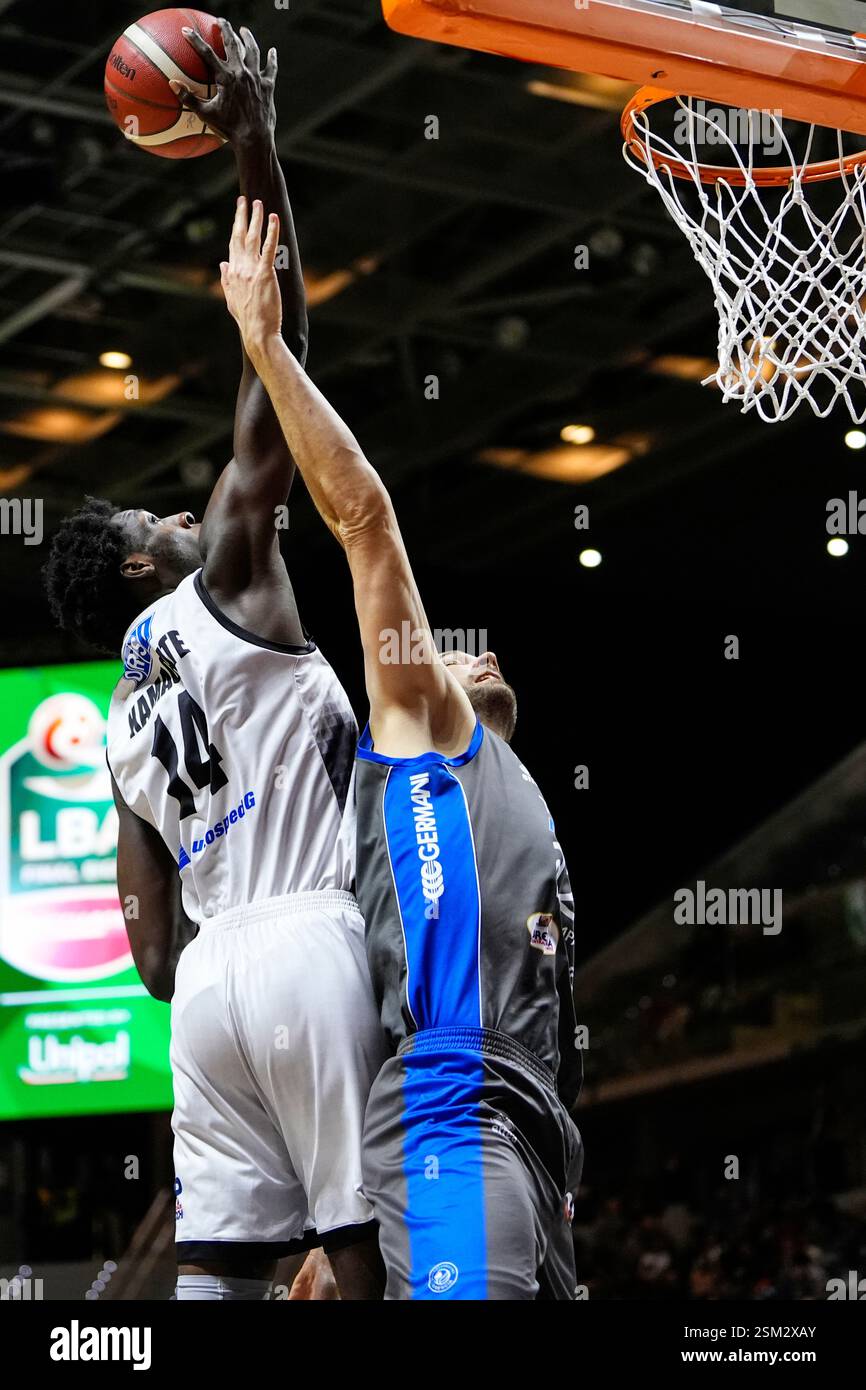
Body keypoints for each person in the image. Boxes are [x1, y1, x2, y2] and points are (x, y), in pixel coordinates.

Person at [43, 22, 386, 1301]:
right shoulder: (228, 582)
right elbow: (277, 374)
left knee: (217, 1272)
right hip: (305, 937)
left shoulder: (121, 723)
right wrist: (255, 143)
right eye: (154, 522)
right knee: (359, 1246)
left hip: (203, 997)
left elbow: (146, 958)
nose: (179, 515)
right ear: (142, 566)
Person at [219, 196, 585, 1300]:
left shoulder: (491, 785)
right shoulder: (421, 734)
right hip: (458, 1114)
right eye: (447, 656)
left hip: (518, 1132)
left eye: (466, 657)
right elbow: (365, 521)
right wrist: (268, 344)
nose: (462, 659)